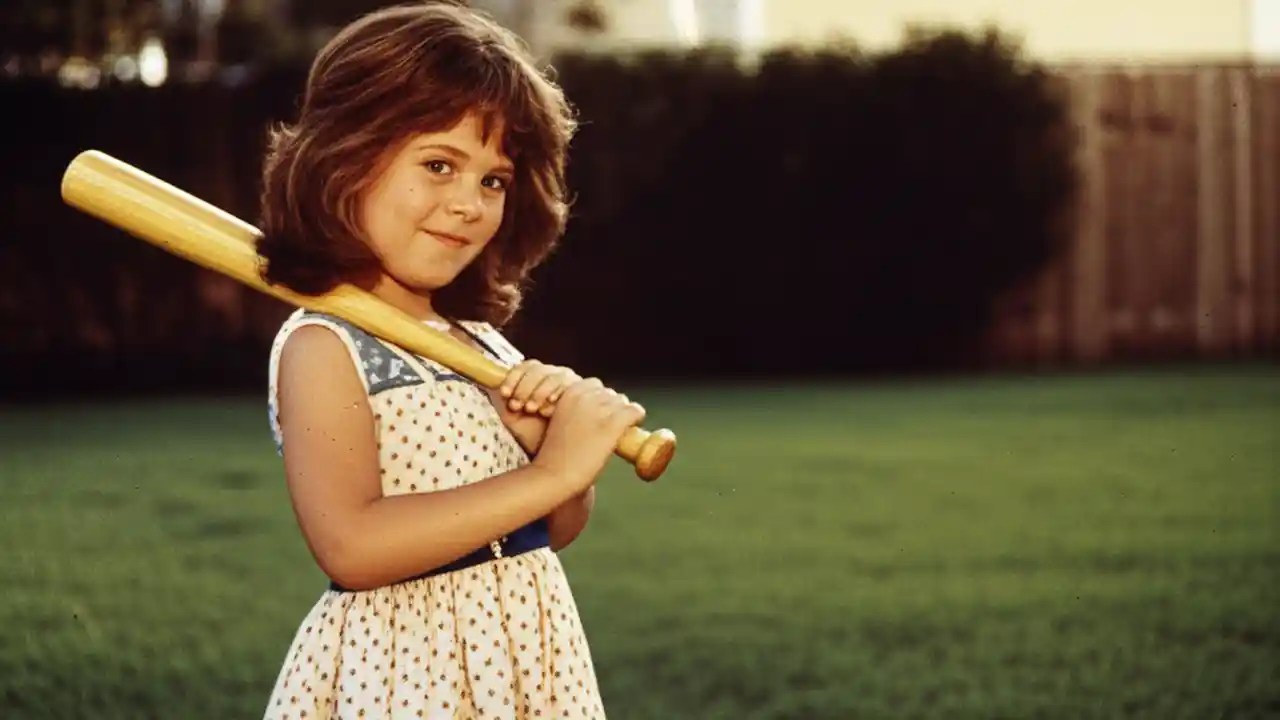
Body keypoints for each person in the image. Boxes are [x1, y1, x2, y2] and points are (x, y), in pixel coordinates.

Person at [256, 3, 643, 717]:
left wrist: (560, 465)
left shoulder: (477, 341)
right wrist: (553, 472)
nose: (469, 203)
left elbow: (547, 531)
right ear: (347, 158)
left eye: (493, 180)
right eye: (440, 165)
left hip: (522, 660)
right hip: (409, 671)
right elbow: (352, 546)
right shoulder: (326, 346)